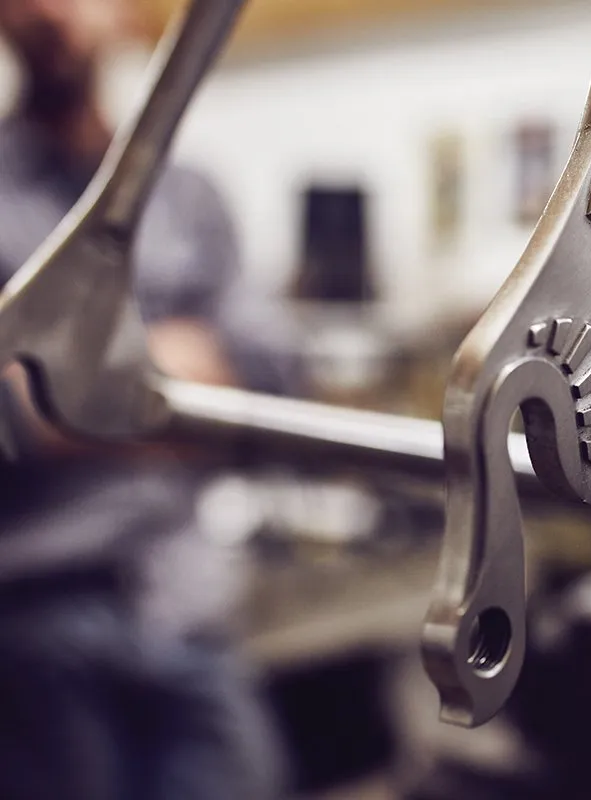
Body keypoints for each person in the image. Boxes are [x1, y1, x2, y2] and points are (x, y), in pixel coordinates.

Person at [0, 1, 285, 797]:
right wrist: (177, 375)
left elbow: (269, 375)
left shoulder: (188, 195)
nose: (49, 10)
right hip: (32, 628)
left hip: (184, 603)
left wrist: (60, 391)